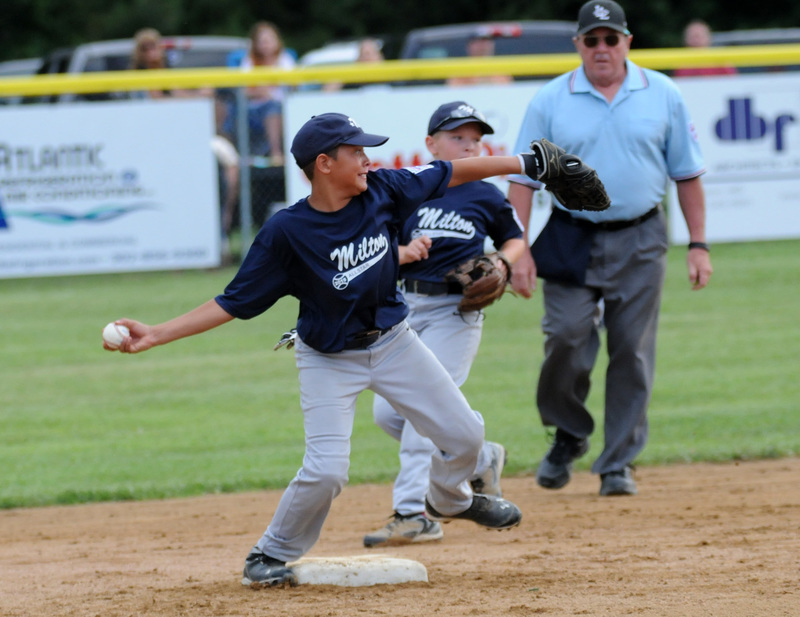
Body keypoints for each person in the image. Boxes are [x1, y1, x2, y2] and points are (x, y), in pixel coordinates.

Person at [103, 112, 591, 587]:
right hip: (327, 358)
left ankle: (450, 500)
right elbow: (233, 302)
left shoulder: (384, 191)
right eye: (356, 152)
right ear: (324, 164)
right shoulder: (286, 234)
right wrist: (157, 333)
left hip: (396, 343)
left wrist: (528, 164)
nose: (367, 160)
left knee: (464, 436)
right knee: (326, 471)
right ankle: (270, 551)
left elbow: (452, 171)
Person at [507, 0, 713, 497]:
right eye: (592, 39)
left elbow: (686, 175)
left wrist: (699, 244)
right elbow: (521, 181)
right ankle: (569, 432)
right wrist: (518, 250)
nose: (602, 48)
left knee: (633, 352)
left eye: (611, 38)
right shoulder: (551, 99)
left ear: (627, 42)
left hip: (641, 236)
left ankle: (617, 462)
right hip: (571, 233)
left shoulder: (661, 92)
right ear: (578, 44)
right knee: (566, 336)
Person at [363, 102, 526, 547]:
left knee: (422, 416)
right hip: (404, 308)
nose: (470, 145)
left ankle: (414, 513)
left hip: (457, 313)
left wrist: (503, 263)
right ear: (431, 143)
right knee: (387, 413)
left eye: (476, 139)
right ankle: (481, 458)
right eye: (458, 137)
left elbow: (515, 239)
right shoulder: (410, 189)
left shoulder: (486, 194)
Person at [230, 21, 296, 163]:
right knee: (271, 109)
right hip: (254, 109)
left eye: (269, 40)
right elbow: (244, 91)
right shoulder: (249, 62)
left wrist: (267, 92)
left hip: (282, 107)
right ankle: (276, 152)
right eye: (262, 41)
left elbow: (293, 87)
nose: (266, 45)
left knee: (275, 108)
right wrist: (262, 93)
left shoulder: (285, 60)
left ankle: (291, 151)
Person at [673, 19, 737, 77]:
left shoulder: (720, 62)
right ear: (686, 39)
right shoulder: (680, 65)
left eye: (698, 36)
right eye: (692, 37)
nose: (696, 40)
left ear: (708, 38)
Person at [447, 34, 513, 87]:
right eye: (478, 41)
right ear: (469, 46)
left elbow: (507, 90)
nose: (482, 45)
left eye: (486, 40)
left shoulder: (501, 68)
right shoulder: (459, 69)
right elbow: (454, 91)